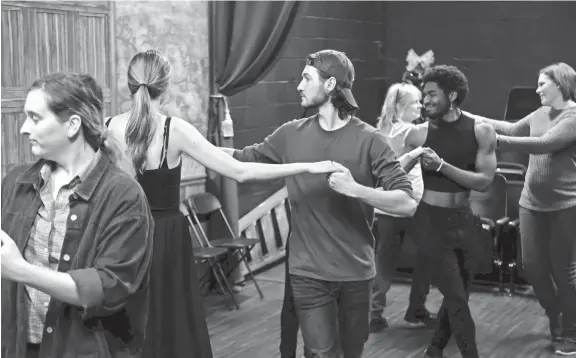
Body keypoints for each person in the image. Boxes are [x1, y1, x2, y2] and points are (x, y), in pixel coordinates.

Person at [105, 49, 346, 358]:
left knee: (126, 322)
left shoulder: (107, 127)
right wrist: (305, 166)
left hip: (120, 237)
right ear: (165, 88)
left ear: (129, 84)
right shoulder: (173, 130)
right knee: (169, 326)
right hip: (164, 238)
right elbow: (241, 172)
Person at [221, 49, 418, 358]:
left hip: (356, 273)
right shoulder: (290, 134)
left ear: (330, 85)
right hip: (308, 273)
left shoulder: (370, 140)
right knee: (323, 353)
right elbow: (241, 159)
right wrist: (189, 141)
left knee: (349, 353)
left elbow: (407, 202)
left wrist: (356, 189)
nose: (299, 86)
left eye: (306, 78)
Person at [1, 72, 154, 358]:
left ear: (72, 125)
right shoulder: (16, 183)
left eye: (35, 118)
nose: (23, 128)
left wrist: (19, 270)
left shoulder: (124, 196)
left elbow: (109, 288)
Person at [469, 62, 576, 356]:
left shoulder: (573, 117)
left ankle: (571, 331)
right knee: (531, 266)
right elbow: (512, 128)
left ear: (561, 84)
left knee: (564, 270)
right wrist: (468, 118)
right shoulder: (540, 113)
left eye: (543, 84)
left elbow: (544, 144)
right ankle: (555, 313)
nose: (538, 89)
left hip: (565, 206)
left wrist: (496, 142)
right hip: (531, 203)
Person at [402, 65, 498, 358]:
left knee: (459, 293)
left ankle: (434, 350)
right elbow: (395, 172)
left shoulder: (481, 131)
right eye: (423, 95)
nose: (425, 100)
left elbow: (483, 182)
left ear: (452, 95)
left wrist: (441, 166)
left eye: (432, 94)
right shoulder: (417, 135)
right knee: (456, 296)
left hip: (464, 220)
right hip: (429, 222)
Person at [369, 82, 435, 333]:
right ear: (398, 107)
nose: (421, 106)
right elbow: (440, 128)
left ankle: (373, 313)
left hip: (387, 206)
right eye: (415, 102)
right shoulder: (410, 131)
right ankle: (416, 308)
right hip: (409, 205)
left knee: (384, 259)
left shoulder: (381, 130)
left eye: (421, 101)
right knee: (427, 255)